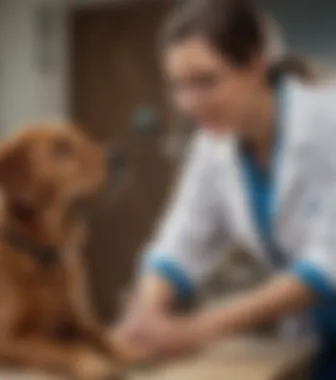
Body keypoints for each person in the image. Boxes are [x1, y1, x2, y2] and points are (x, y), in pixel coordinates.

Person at [115, 0, 336, 378]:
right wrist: (149, 308)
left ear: (255, 64)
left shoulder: (327, 125)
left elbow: (326, 262)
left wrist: (199, 328)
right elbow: (180, 240)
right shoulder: (214, 145)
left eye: (205, 81)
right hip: (316, 334)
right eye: (178, 86)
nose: (188, 103)